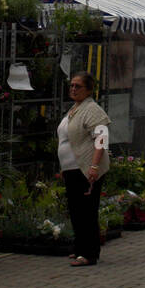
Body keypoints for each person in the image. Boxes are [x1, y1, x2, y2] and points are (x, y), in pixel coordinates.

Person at [56, 72, 110, 267]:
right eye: (71, 85)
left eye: (78, 86)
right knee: (76, 209)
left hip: (86, 168)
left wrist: (94, 166)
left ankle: (90, 253)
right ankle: (79, 248)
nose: (73, 89)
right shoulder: (75, 109)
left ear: (88, 90)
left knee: (87, 210)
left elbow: (101, 138)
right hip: (71, 168)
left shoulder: (92, 110)